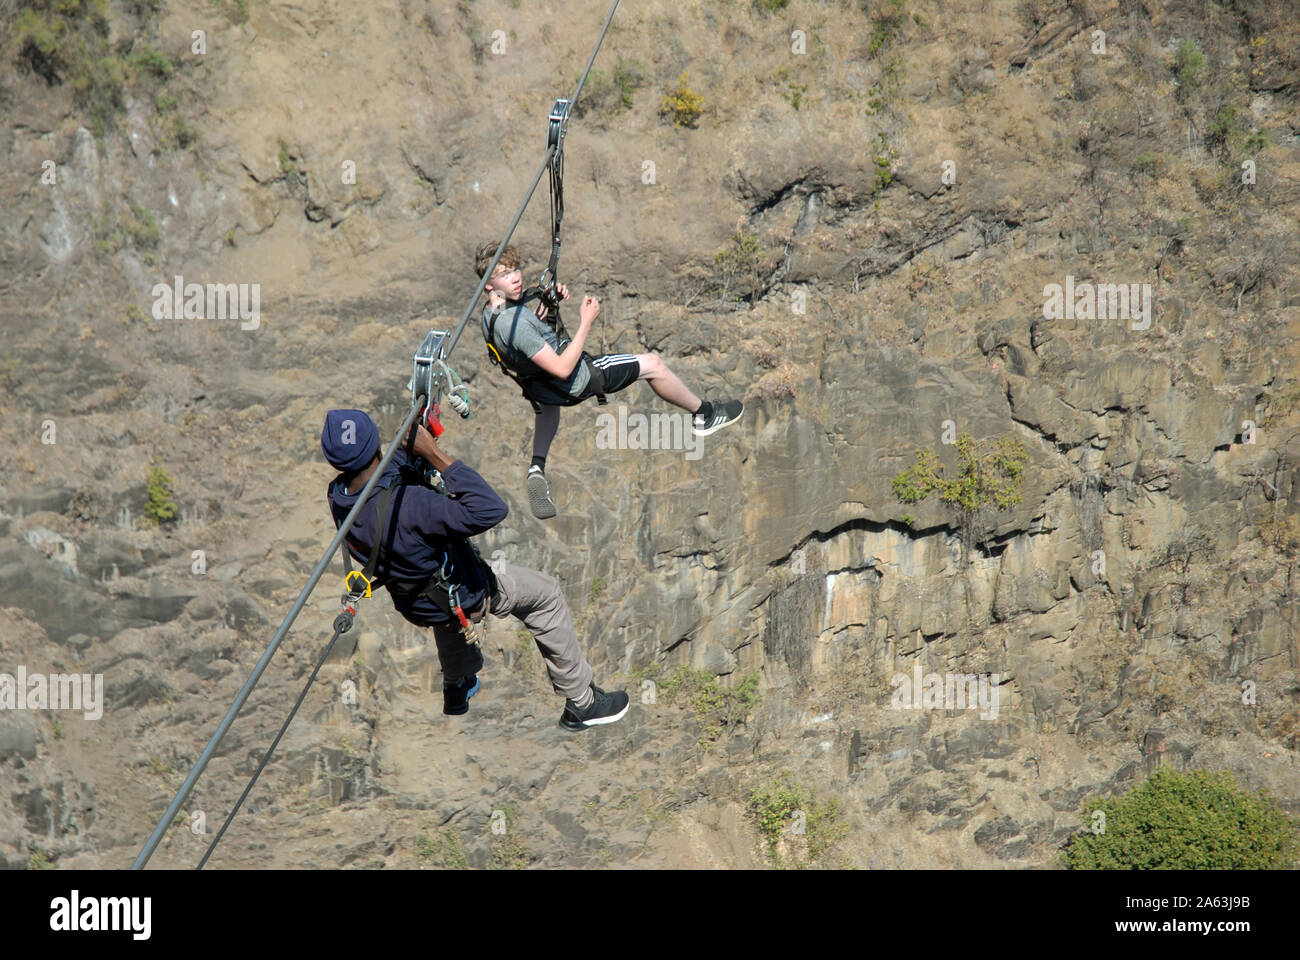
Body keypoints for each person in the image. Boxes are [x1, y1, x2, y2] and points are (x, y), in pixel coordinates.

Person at [320, 408, 628, 729]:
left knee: (445, 610)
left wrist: (408, 446)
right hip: (464, 592)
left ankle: (457, 686)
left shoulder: (339, 497)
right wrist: (434, 453)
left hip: (417, 600)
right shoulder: (413, 505)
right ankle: (582, 702)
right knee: (545, 595)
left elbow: (382, 478)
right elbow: (490, 508)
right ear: (376, 447)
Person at [475, 242, 744, 519]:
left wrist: (546, 305)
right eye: (505, 274)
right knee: (653, 364)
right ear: (488, 284)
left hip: (543, 389)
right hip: (576, 379)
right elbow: (563, 368)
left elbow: (527, 341)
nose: (516, 277)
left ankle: (537, 467)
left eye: (516, 269)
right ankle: (705, 415)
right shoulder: (515, 324)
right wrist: (586, 322)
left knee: (546, 403)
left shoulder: (490, 315)